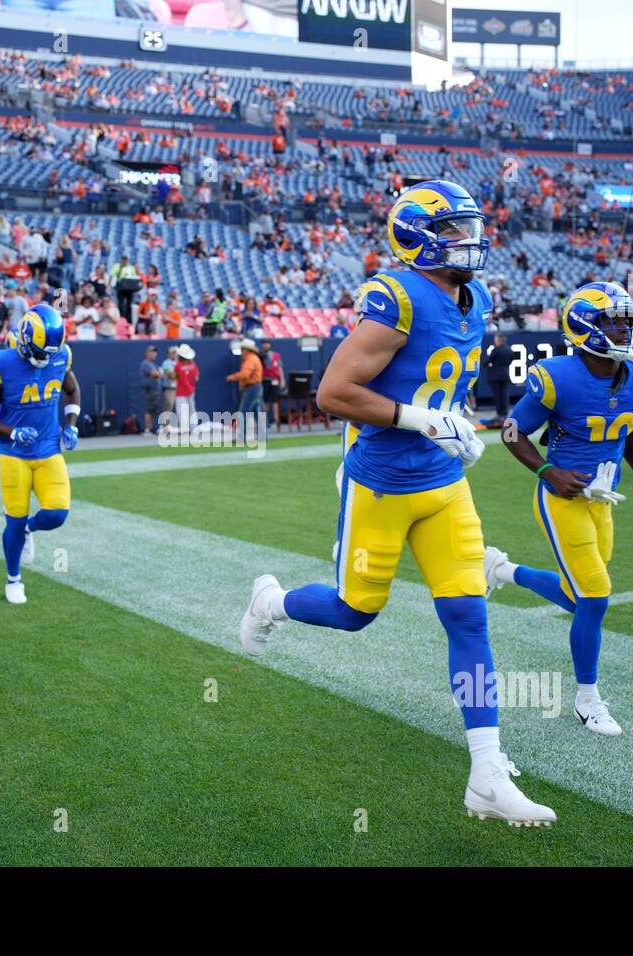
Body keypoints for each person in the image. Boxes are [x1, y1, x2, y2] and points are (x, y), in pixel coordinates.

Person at [236, 180, 555, 827]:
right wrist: (422, 419)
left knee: (468, 617)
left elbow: (440, 378)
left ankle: (486, 773)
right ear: (418, 237)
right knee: (356, 613)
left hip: (442, 485)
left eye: (470, 228)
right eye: (456, 230)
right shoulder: (398, 297)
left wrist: (454, 422)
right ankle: (271, 603)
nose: (470, 242)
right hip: (381, 482)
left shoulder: (478, 296)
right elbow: (333, 390)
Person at [488, 282, 633, 738]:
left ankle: (503, 571)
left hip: (605, 500)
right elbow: (510, 431)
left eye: (627, 320)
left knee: (578, 595)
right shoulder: (558, 375)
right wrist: (547, 471)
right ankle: (588, 700)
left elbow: (631, 429)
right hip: (563, 500)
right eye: (613, 322)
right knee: (596, 595)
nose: (624, 330)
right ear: (584, 326)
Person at [0, 305, 81, 605]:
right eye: (39, 351)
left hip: (48, 448)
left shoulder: (61, 355)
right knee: (14, 520)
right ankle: (13, 578)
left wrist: (70, 425)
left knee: (57, 514)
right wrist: (11, 432)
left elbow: (71, 390)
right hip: (13, 453)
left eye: (49, 353)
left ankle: (31, 528)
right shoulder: (0, 364)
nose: (44, 359)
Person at [227, 337, 263, 418]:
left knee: (244, 410)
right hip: (255, 386)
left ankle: (242, 430)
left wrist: (232, 377)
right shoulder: (253, 358)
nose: (241, 352)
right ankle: (261, 429)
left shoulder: (250, 359)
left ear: (246, 350)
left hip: (252, 387)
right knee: (255, 410)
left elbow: (245, 374)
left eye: (242, 349)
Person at [484, 332, 513, 423]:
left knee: (498, 396)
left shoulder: (496, 350)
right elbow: (510, 361)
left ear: (498, 340)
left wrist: (487, 366)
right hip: (506, 376)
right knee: (505, 395)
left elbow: (488, 362)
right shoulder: (509, 350)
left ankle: (500, 415)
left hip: (495, 377)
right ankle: (505, 414)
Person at [173, 343, 198, 431]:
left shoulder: (178, 366)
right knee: (189, 409)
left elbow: (178, 378)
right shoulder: (191, 365)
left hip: (184, 391)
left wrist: (189, 388)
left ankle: (187, 429)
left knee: (184, 410)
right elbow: (196, 378)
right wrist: (191, 388)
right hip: (187, 391)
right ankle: (191, 429)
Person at [139, 345, 163, 435]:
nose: (154, 354)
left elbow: (159, 373)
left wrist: (159, 373)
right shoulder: (145, 363)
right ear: (147, 353)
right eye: (152, 352)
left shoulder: (153, 364)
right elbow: (156, 374)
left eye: (155, 352)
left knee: (155, 409)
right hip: (150, 390)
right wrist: (159, 373)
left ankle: (154, 428)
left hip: (155, 390)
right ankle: (148, 429)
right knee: (151, 409)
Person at [260, 339, 283, 426]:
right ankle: (265, 421)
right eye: (264, 344)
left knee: (275, 401)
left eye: (267, 344)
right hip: (264, 380)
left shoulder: (276, 355)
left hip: (274, 380)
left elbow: (279, 368)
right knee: (265, 401)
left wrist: (282, 380)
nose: (265, 345)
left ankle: (277, 420)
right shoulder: (260, 355)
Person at [160, 345, 179, 417]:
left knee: (181, 407)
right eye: (172, 352)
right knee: (168, 407)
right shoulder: (166, 363)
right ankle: (165, 426)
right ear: (168, 354)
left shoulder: (179, 362)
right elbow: (171, 376)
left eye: (175, 352)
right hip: (170, 388)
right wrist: (180, 375)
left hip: (179, 388)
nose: (174, 354)